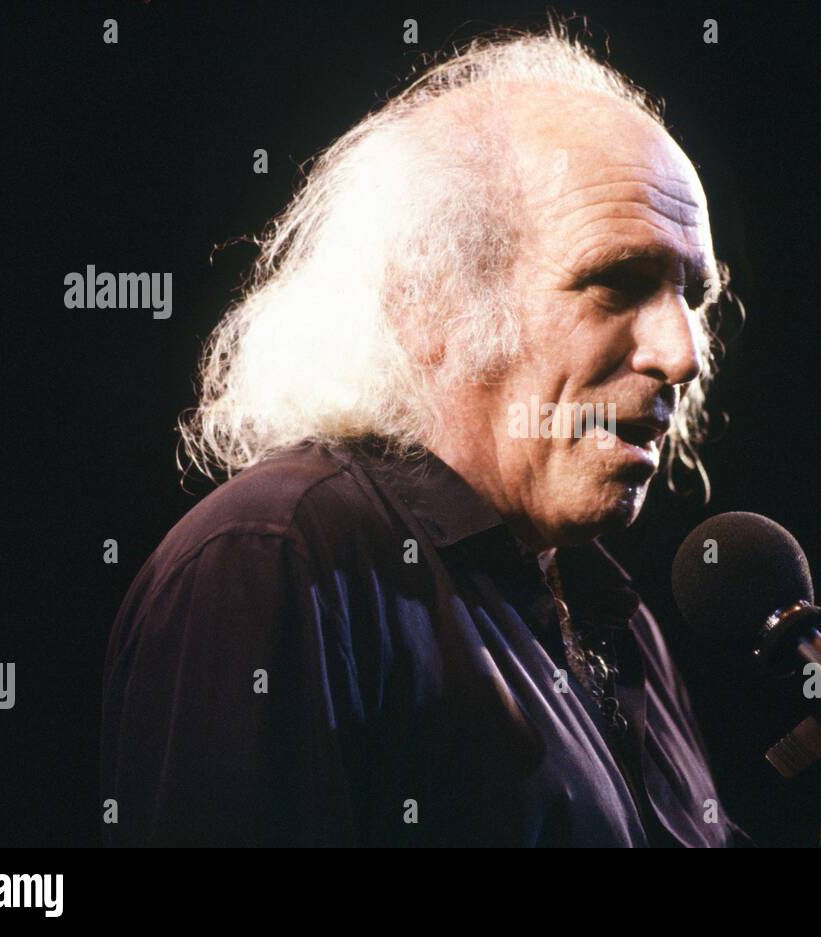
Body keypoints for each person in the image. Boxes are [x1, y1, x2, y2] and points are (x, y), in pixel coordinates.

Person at [101, 25, 748, 846]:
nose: (682, 353)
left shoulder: (613, 611)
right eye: (616, 281)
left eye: (693, 293)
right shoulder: (278, 554)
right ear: (432, 302)